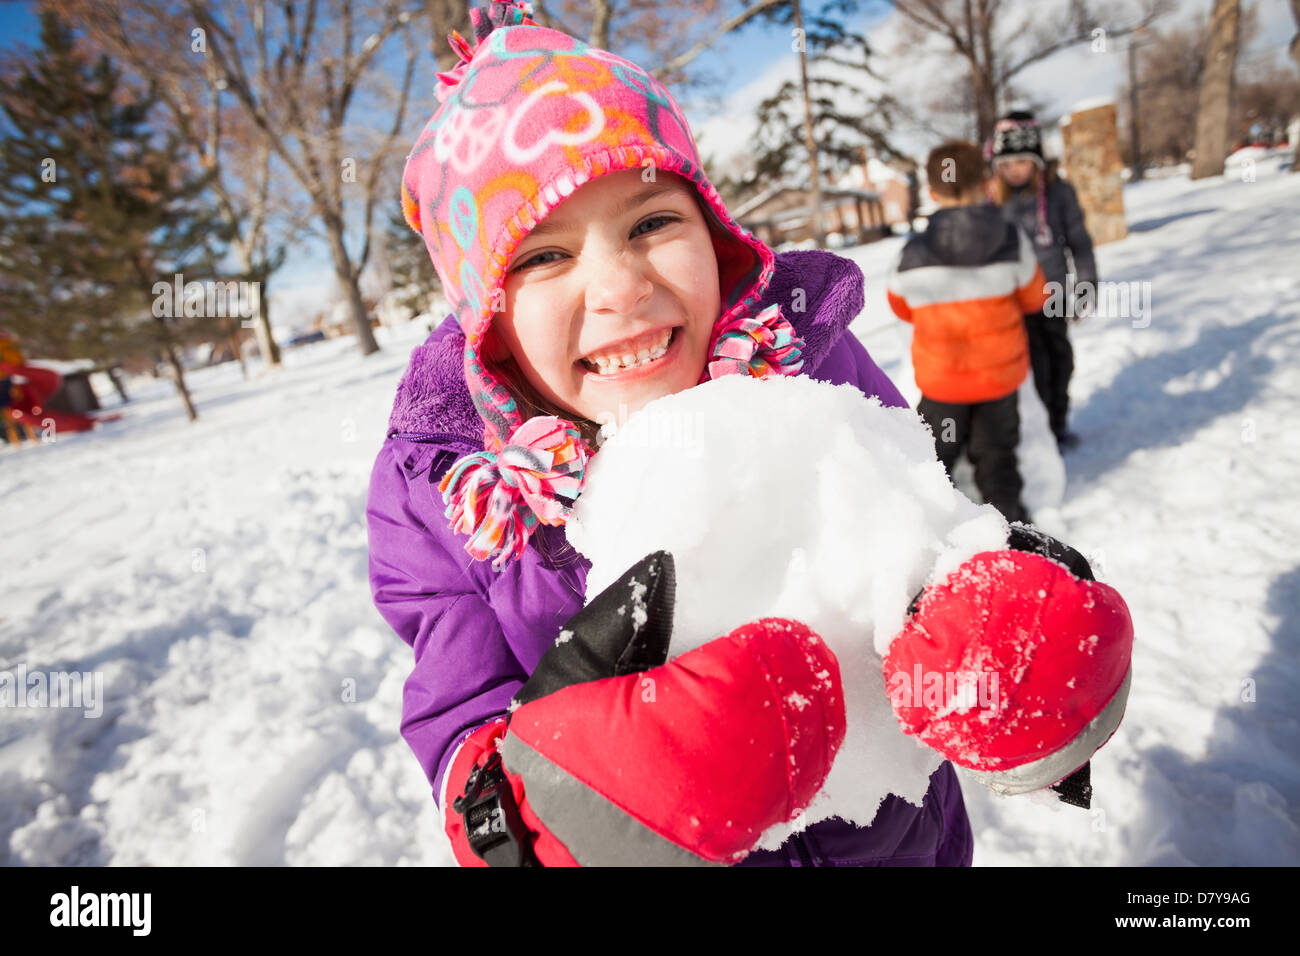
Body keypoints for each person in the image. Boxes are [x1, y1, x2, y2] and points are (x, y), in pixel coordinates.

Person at [368, 1, 1132, 867]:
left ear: (715, 235)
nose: (620, 287)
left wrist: (1013, 642)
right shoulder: (448, 489)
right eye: (543, 256)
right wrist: (534, 814)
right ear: (485, 317)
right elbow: (457, 708)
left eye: (652, 224)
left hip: (892, 845)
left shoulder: (799, 362)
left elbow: (920, 525)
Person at [885, 141, 1048, 525]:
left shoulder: (912, 254)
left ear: (932, 191)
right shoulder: (1010, 240)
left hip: (943, 385)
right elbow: (1037, 296)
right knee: (998, 461)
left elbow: (900, 305)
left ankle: (932, 529)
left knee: (935, 460)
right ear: (985, 183)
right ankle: (1010, 533)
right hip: (998, 381)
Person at [988, 110, 1098, 450]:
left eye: (1021, 162)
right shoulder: (995, 201)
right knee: (1035, 367)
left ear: (1035, 159)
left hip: (1055, 295)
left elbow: (1079, 243)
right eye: (1005, 165)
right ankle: (1042, 432)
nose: (1013, 171)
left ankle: (1059, 424)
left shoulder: (1059, 194)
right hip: (1015, 302)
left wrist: (1086, 285)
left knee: (1060, 361)